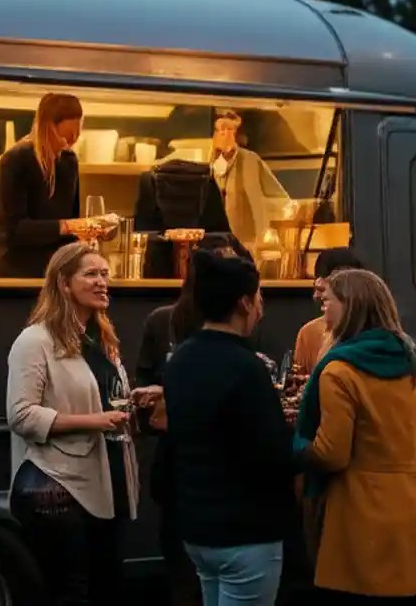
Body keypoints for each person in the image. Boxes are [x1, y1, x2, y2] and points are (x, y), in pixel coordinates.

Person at [294, 269, 416, 604]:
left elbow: (332, 453)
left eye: (328, 301)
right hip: (414, 507)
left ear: (350, 307)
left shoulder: (339, 371)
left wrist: (296, 445)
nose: (323, 308)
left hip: (359, 513)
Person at [6, 242, 140, 605]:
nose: (102, 282)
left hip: (109, 483)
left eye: (105, 274)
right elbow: (21, 415)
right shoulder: (34, 341)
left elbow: (105, 396)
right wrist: (95, 421)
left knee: (107, 585)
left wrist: (139, 398)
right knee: (70, 592)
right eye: (91, 274)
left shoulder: (100, 339)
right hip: (59, 488)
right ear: (63, 283)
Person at [161, 250, 295, 606]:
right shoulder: (246, 367)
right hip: (246, 532)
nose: (261, 308)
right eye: (259, 298)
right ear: (243, 303)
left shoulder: (180, 360)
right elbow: (272, 453)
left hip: (197, 528)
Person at [133, 233, 241, 606]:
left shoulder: (240, 321)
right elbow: (142, 385)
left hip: (224, 466)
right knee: (182, 569)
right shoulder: (163, 320)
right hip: (177, 464)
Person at [0, 93, 108, 278]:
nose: (70, 143)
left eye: (76, 136)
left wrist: (87, 233)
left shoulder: (69, 162)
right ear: (47, 127)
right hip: (13, 272)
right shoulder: (16, 159)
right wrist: (66, 226)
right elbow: (9, 232)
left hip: (52, 274)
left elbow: (71, 224)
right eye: (66, 136)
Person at [208, 109, 290, 249]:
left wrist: (262, 237)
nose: (223, 133)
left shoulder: (248, 160)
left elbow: (257, 202)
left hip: (248, 242)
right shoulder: (214, 161)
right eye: (219, 130)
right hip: (225, 240)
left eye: (228, 129)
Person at [293, 248, 365, 374]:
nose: (316, 296)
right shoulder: (309, 334)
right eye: (315, 288)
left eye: (322, 290)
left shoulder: (374, 337)